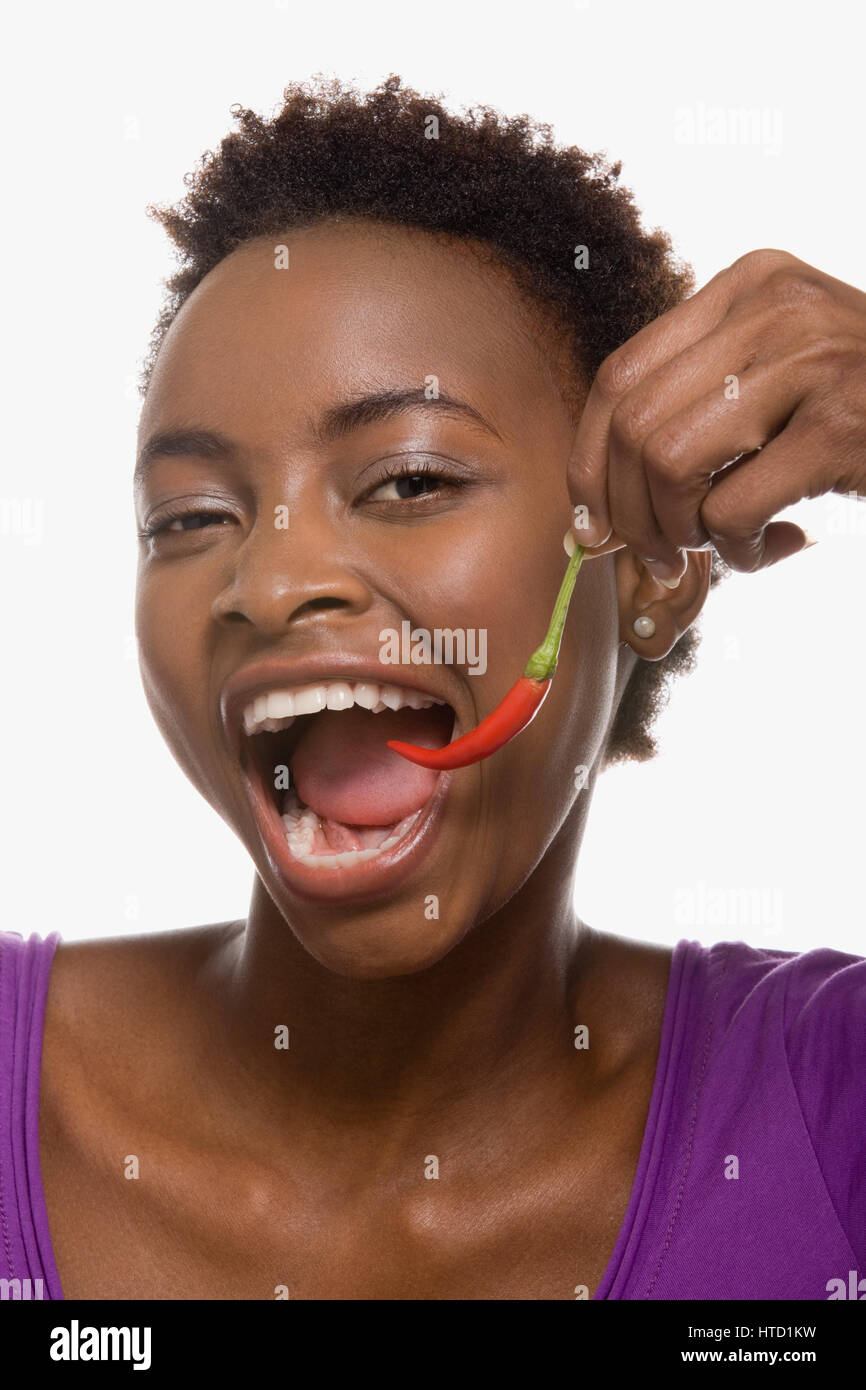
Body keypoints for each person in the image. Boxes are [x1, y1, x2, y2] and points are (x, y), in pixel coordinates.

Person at [2, 75, 864, 1301]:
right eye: (191, 515)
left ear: (654, 574)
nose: (272, 578)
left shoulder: (822, 1106)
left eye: (407, 481)